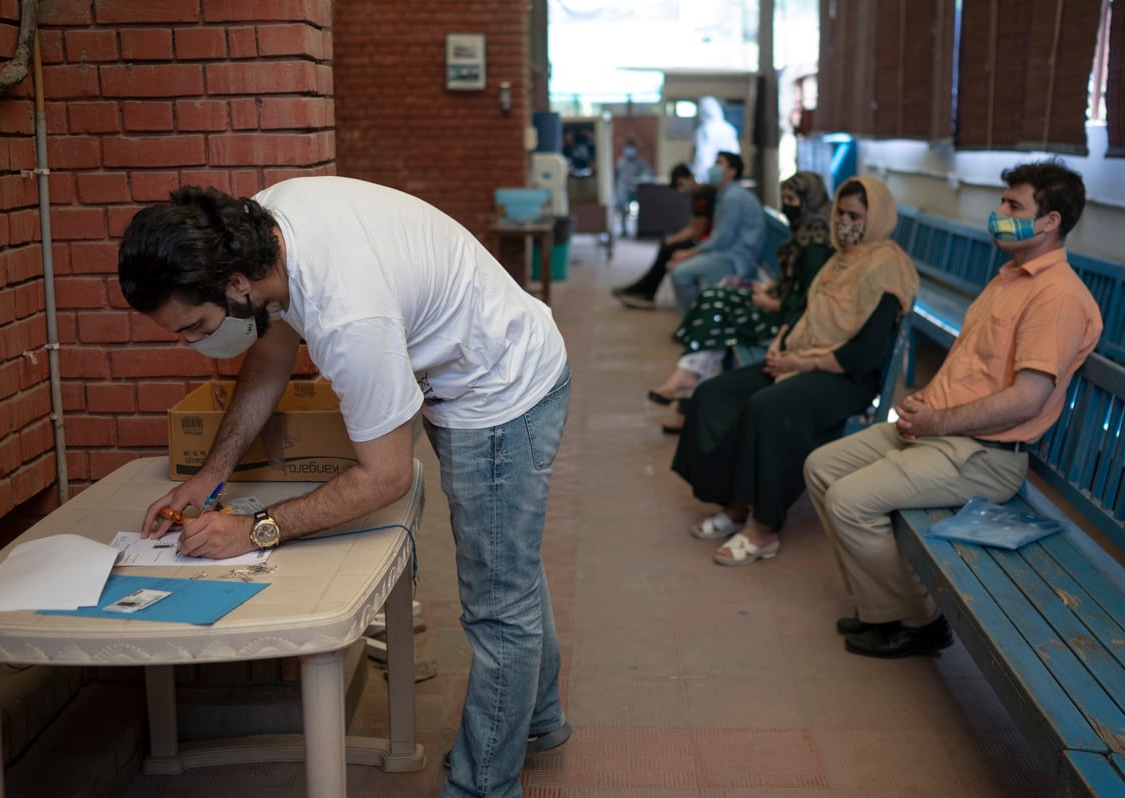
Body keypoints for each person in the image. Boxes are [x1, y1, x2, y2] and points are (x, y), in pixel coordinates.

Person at [116, 177, 573, 798]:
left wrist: (253, 531)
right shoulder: (264, 229)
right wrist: (210, 473)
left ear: (236, 287)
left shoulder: (348, 314)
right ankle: (536, 718)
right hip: (471, 363)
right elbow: (272, 356)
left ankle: (484, 787)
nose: (192, 343)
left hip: (500, 391)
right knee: (508, 565)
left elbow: (384, 476)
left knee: (497, 601)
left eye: (194, 326)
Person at [804, 160, 1103, 659]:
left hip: (985, 455)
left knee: (849, 501)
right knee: (820, 467)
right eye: (1002, 203)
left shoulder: (1056, 297)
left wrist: (936, 420)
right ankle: (885, 605)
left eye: (1013, 206)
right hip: (944, 431)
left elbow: (1027, 398)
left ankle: (918, 622)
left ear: (1050, 222)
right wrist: (927, 398)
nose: (998, 213)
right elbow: (975, 365)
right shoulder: (1009, 278)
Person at [672, 177, 919, 567]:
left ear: (878, 218)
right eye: (841, 213)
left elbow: (865, 353)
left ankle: (763, 526)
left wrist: (802, 363)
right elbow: (805, 309)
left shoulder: (886, 269)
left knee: (768, 408)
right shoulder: (839, 260)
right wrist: (783, 340)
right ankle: (736, 503)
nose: (844, 223)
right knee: (713, 394)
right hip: (801, 356)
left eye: (855, 216)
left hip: (845, 376)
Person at [648, 171, 834, 409]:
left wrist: (770, 302)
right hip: (777, 300)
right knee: (713, 296)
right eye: (784, 200)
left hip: (787, 320)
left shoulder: (816, 244)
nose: (786, 207)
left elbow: (808, 299)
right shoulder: (804, 231)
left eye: (791, 200)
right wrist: (768, 288)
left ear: (810, 200)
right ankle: (688, 385)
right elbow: (795, 283)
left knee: (716, 312)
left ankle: (688, 391)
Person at [668, 151, 765, 313]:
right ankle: (698, 318)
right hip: (727, 253)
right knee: (680, 266)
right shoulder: (725, 195)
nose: (714, 167)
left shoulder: (733, 198)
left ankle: (693, 321)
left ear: (732, 172)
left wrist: (690, 253)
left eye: (720, 163)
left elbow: (722, 239)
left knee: (679, 274)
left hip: (736, 259)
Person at [611, 163, 717, 309]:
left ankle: (645, 291)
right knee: (666, 245)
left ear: (690, 177)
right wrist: (672, 239)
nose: (681, 189)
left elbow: (697, 230)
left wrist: (673, 240)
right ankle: (643, 289)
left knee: (667, 247)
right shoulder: (699, 195)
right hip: (704, 240)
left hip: (707, 243)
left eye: (681, 184)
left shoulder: (703, 196)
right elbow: (693, 227)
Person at [690, 96, 741, 183]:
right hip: (729, 176)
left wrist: (698, 177)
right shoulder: (729, 128)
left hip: (708, 177)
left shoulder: (704, 130)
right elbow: (736, 153)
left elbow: (701, 156)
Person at [613, 136, 654, 237]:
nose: (629, 151)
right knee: (622, 206)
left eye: (631, 148)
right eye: (627, 148)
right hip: (624, 187)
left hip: (637, 188)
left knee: (642, 207)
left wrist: (639, 180)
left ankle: (641, 230)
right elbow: (617, 175)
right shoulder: (621, 162)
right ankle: (623, 229)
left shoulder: (641, 162)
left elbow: (648, 174)